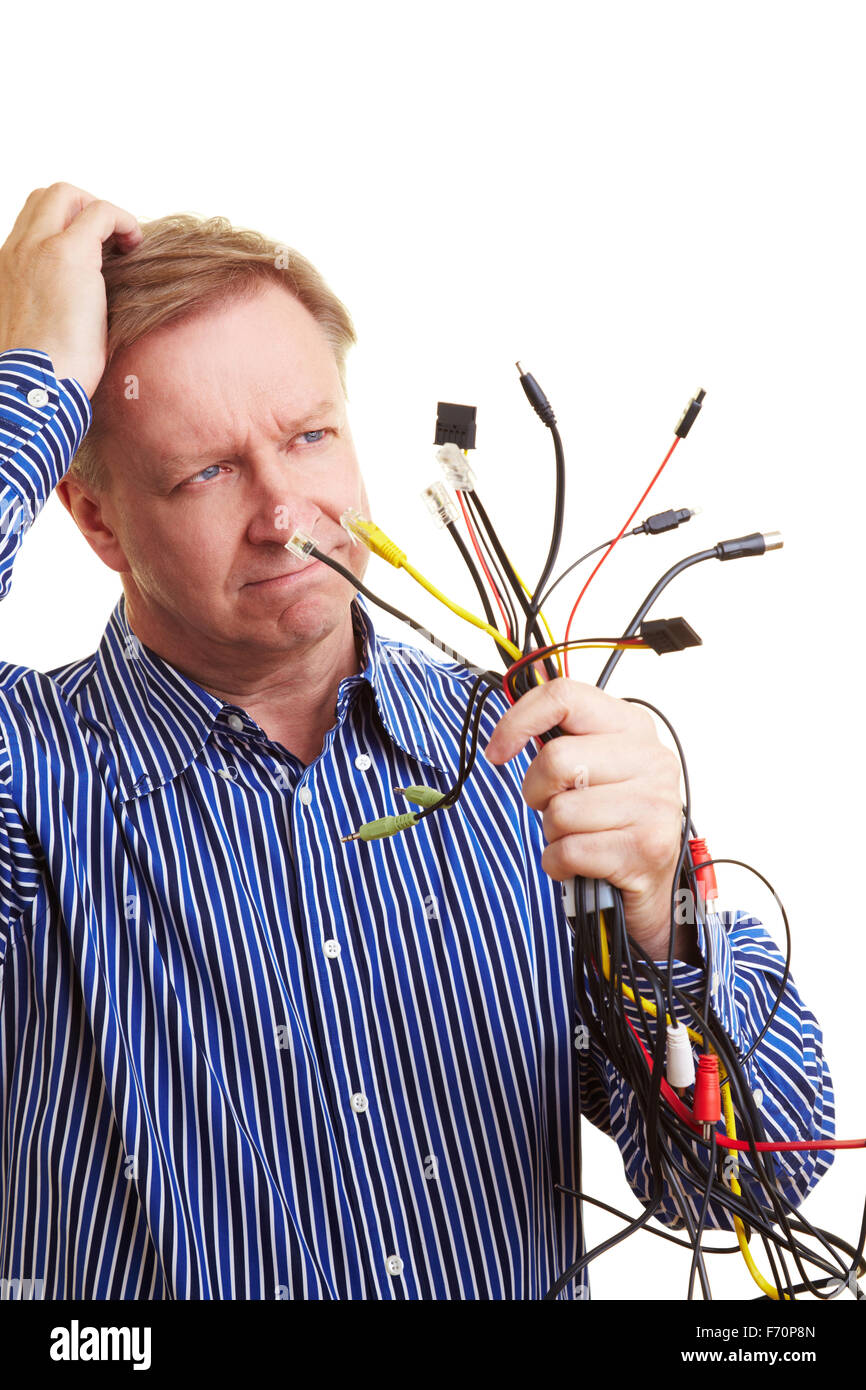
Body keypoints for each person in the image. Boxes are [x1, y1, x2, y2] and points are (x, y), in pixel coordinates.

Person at [0, 184, 833, 1300]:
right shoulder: (30, 774)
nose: (286, 512)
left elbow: (747, 1186)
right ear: (97, 519)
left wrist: (658, 925)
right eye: (206, 471)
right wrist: (34, 384)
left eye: (308, 436)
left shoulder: (528, 756)